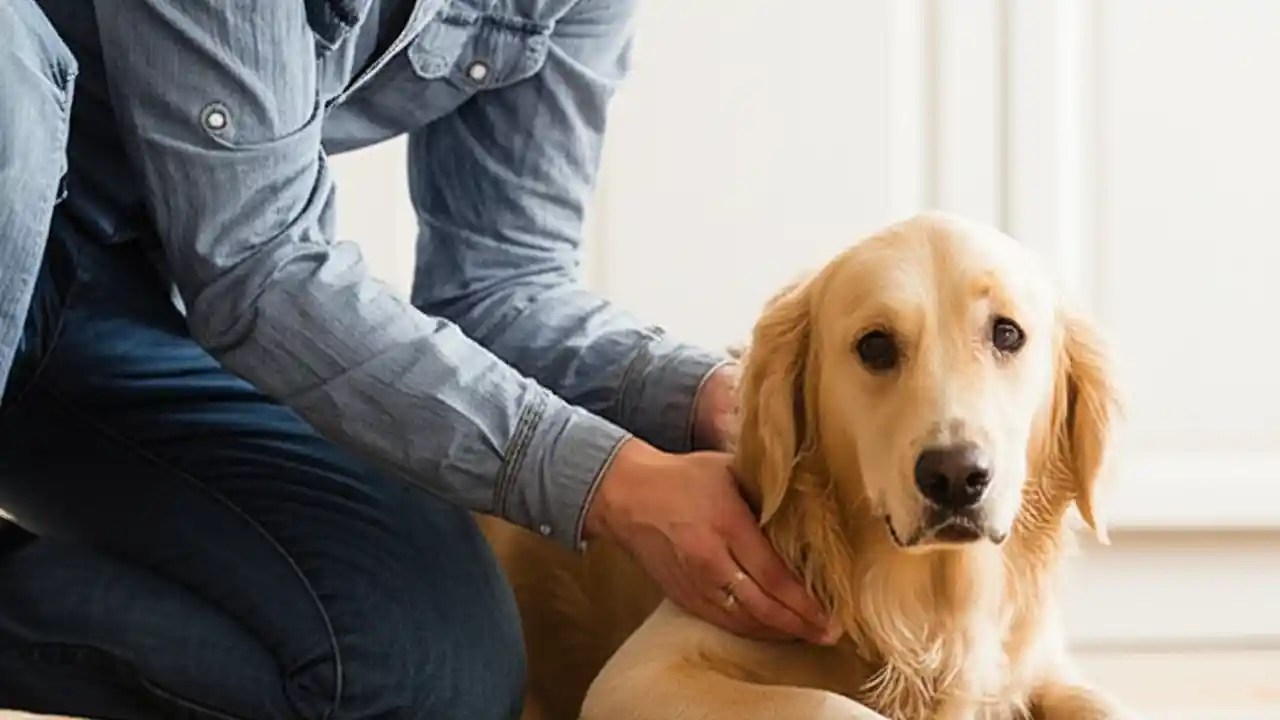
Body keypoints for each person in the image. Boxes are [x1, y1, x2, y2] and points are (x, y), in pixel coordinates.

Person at [0, 0, 837, 717]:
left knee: (431, 672)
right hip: (43, 203)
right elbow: (256, 262)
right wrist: (615, 484)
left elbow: (502, 281)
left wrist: (721, 398)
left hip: (126, 303)